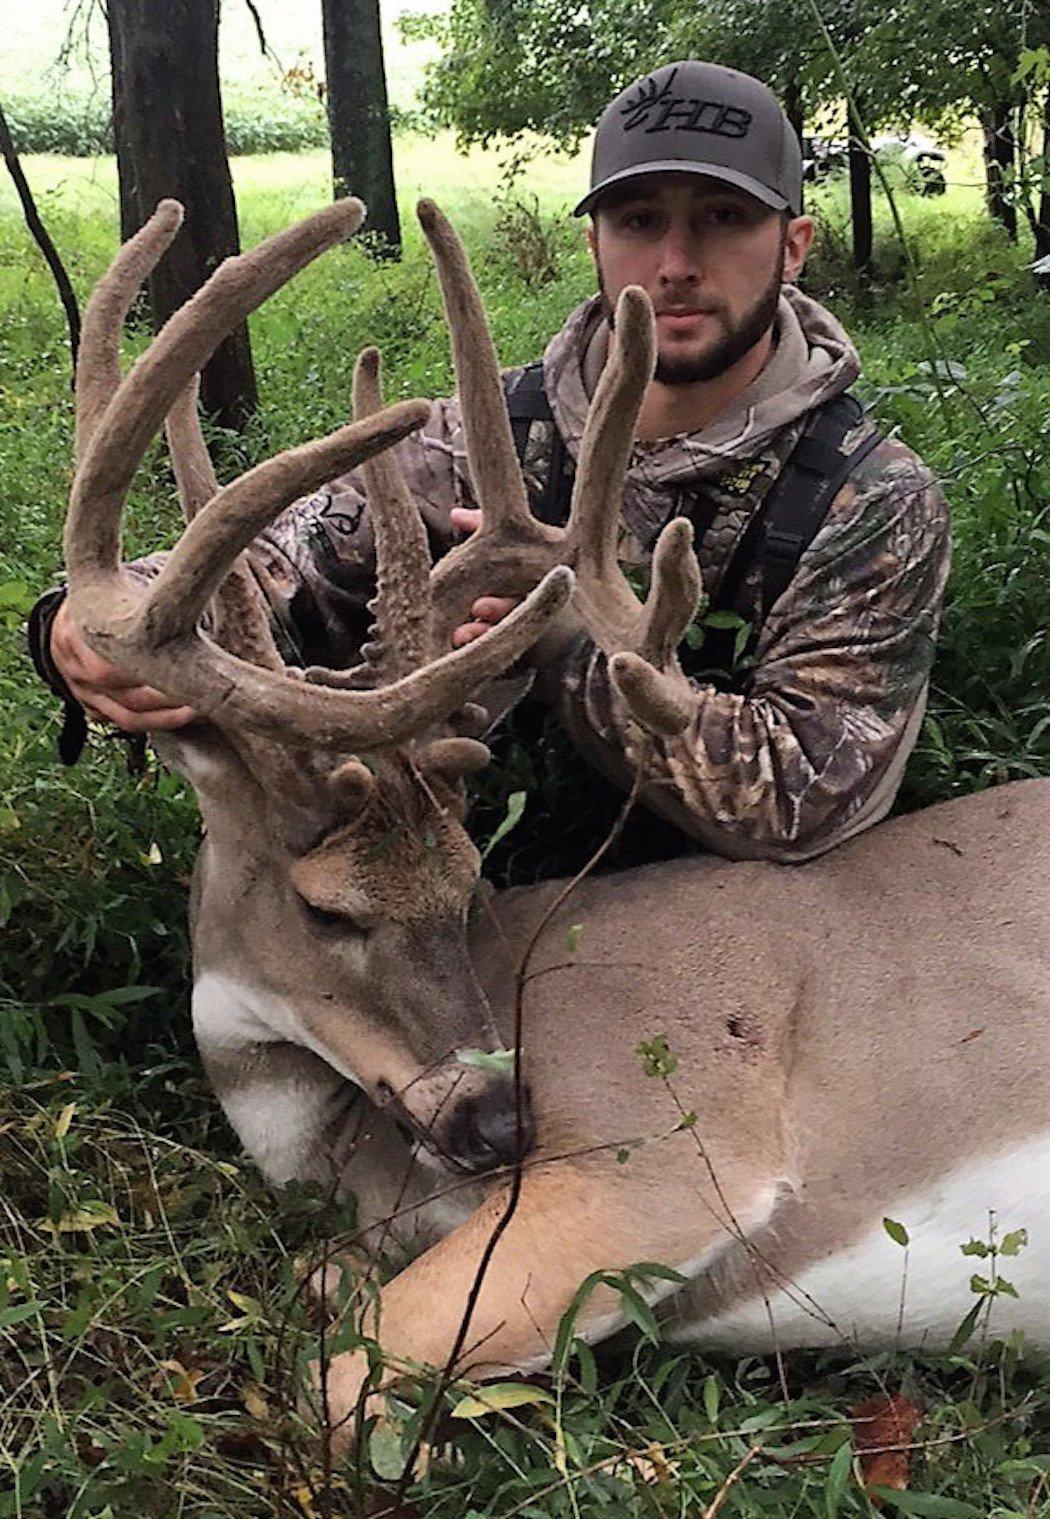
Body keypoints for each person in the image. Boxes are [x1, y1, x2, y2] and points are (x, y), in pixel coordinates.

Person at [31, 60, 950, 865]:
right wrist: (98, 617)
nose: (675, 262)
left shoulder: (861, 499)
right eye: (638, 219)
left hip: (735, 952)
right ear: (594, 242)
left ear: (792, 245)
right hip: (438, 917)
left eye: (723, 217)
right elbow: (287, 563)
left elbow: (802, 801)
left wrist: (564, 638)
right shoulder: (483, 437)